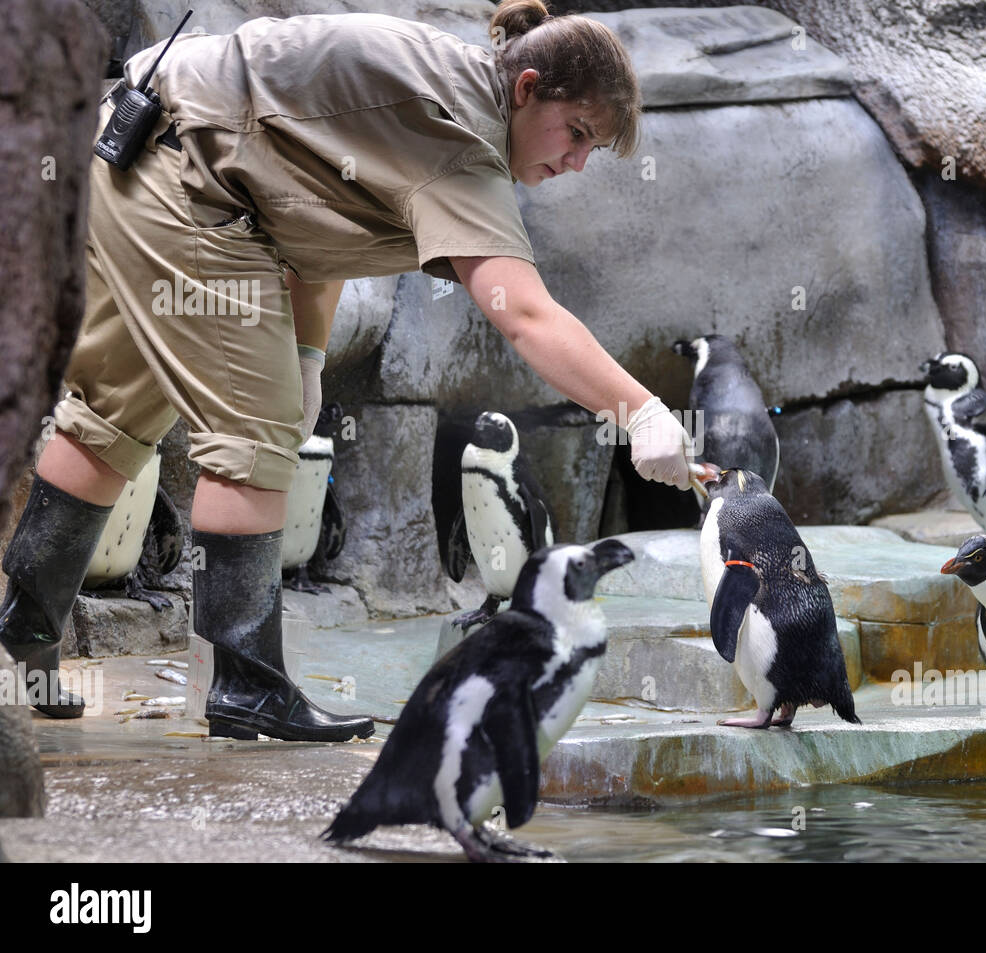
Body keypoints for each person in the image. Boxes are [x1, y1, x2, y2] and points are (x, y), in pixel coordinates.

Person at [0, 0, 695, 741]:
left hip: (145, 151)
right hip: (185, 173)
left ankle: (26, 623)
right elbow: (523, 313)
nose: (577, 162)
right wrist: (641, 410)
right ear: (527, 88)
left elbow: (308, 214)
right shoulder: (457, 136)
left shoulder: (453, 87)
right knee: (254, 439)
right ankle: (245, 684)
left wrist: (306, 356)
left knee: (115, 413)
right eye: (578, 133)